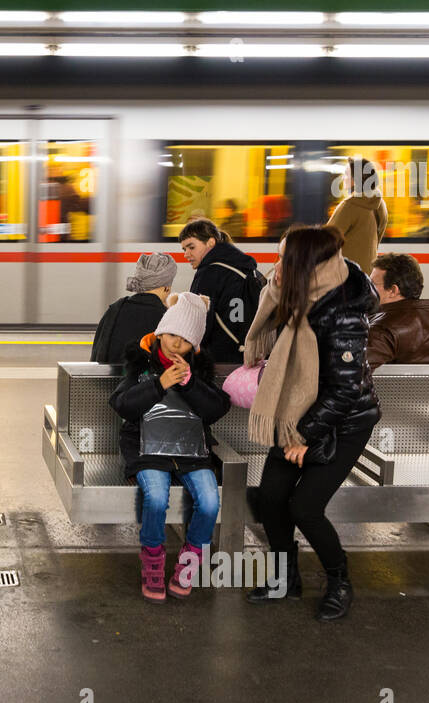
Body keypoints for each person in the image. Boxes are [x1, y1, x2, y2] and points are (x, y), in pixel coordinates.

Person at [241, 226, 380, 621]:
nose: (277, 264)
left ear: (305, 264)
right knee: (270, 498)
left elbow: (346, 389)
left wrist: (304, 435)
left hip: (344, 422)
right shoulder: (298, 291)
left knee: (305, 507)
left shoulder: (345, 312)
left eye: (284, 257)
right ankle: (286, 579)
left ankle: (340, 581)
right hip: (297, 413)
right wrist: (275, 283)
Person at [110, 292, 230, 602]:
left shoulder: (199, 368)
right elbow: (123, 405)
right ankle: (152, 565)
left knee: (208, 503)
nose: (176, 344)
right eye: (172, 335)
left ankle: (188, 565)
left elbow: (217, 409)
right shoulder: (140, 361)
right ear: (161, 331)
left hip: (191, 452)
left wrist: (191, 384)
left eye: (185, 339)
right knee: (155, 498)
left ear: (195, 345)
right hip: (147, 448)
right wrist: (159, 384)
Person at [180, 217, 264, 365]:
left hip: (218, 359)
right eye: (184, 249)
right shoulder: (248, 269)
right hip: (249, 354)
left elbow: (196, 323)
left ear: (211, 242)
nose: (186, 254)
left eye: (191, 247)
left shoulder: (209, 272)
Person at [367, 252, 429, 371]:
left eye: (372, 283)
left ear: (393, 290)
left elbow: (350, 375)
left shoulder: (382, 330)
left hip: (398, 390)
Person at [91, 251, 176, 363]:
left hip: (111, 380)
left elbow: (96, 355)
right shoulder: (168, 319)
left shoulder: (114, 310)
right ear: (167, 288)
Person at [326, 157, 388, 274]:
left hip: (346, 276)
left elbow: (326, 240)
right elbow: (377, 238)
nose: (343, 178)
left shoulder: (349, 205)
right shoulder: (380, 205)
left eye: (346, 174)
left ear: (356, 180)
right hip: (368, 275)